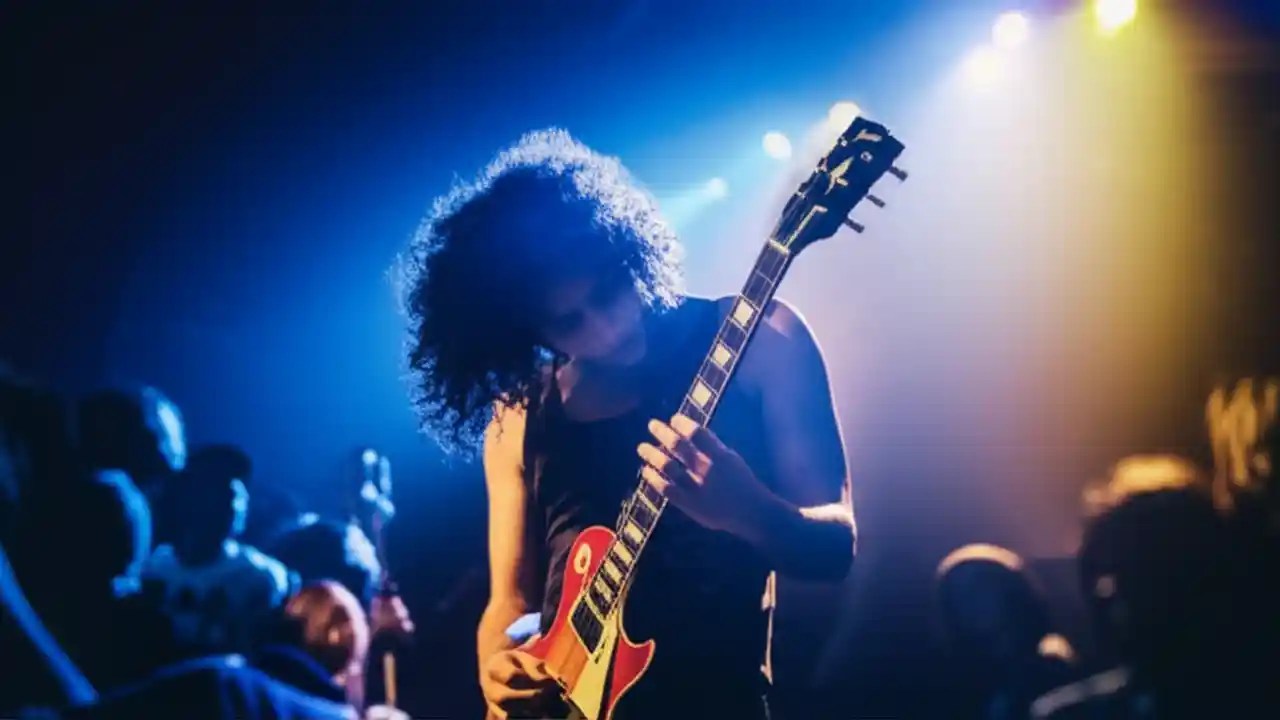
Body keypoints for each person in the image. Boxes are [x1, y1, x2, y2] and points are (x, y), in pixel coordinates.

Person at [400, 128, 856, 719]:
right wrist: (496, 670)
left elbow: (836, 549)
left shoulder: (764, 340)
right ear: (528, 334)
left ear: (629, 251)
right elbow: (507, 605)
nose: (605, 329)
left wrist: (746, 509)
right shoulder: (519, 417)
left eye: (610, 292)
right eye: (569, 323)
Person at [142, 448, 291, 657]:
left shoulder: (258, 576)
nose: (233, 503)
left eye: (235, 494)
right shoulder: (155, 565)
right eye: (216, 490)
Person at [935, 543, 1077, 720]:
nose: (971, 604)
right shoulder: (953, 686)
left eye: (981, 589)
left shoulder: (1052, 668)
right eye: (961, 595)